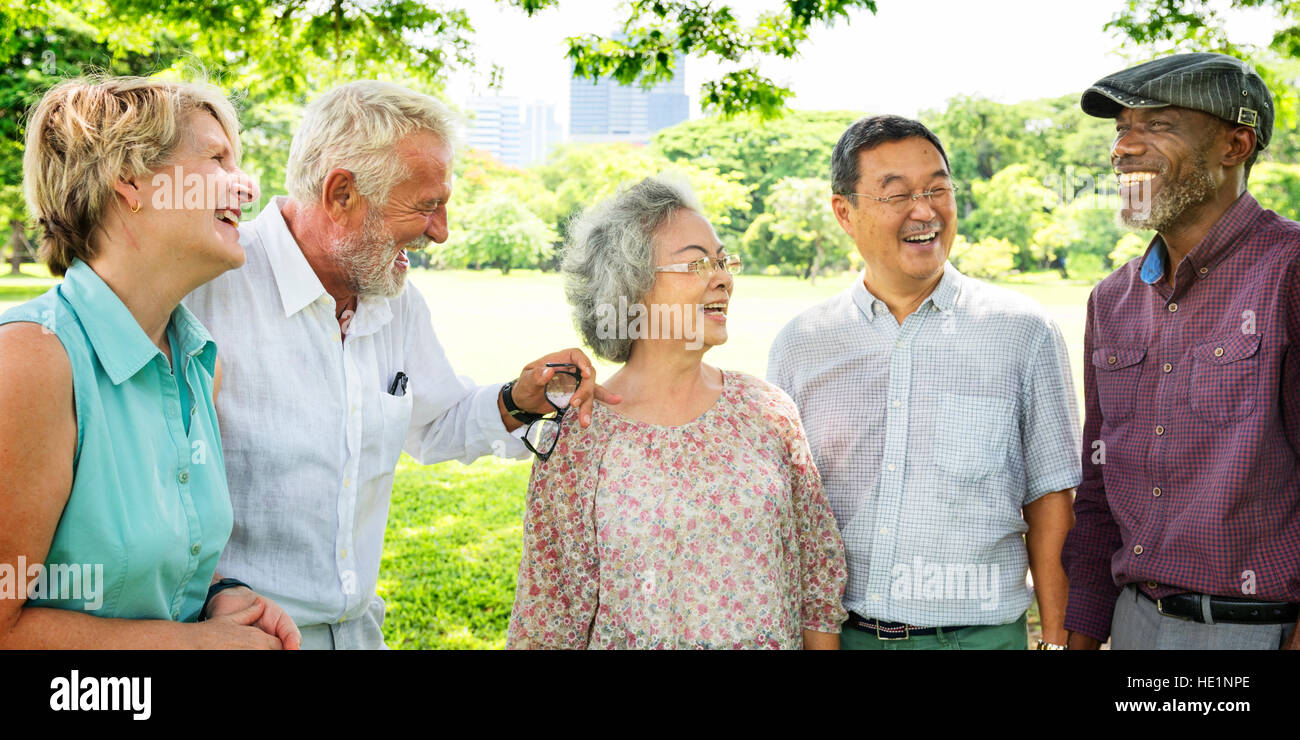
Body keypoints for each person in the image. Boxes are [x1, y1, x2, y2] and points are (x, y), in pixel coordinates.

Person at [183, 80, 616, 650]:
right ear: (341, 193)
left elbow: (435, 423)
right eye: (426, 206)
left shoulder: (397, 300)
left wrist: (518, 399)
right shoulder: (210, 287)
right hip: (244, 640)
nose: (441, 231)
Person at [0, 76, 299, 648]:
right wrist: (192, 646)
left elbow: (146, 568)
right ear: (130, 180)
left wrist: (219, 592)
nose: (247, 188)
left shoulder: (196, 365)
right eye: (217, 159)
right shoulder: (33, 359)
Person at [768, 115, 1081, 650]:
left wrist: (1056, 639)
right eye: (897, 194)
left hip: (981, 638)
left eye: (938, 188)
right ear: (845, 211)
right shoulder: (801, 344)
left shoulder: (1022, 332)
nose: (925, 210)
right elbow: (783, 509)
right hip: (839, 638)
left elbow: (1051, 498)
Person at [505, 176, 847, 649]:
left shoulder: (768, 410)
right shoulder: (580, 433)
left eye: (724, 260)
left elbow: (818, 575)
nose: (724, 276)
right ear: (632, 287)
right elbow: (549, 617)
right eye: (697, 263)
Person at [1063, 53, 1300, 650]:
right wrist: (1082, 639)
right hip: (1133, 624)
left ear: (1235, 144)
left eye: (1158, 125)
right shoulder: (1110, 300)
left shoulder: (1289, 273)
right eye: (1122, 129)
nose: (1124, 148)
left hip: (1258, 633)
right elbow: (1097, 493)